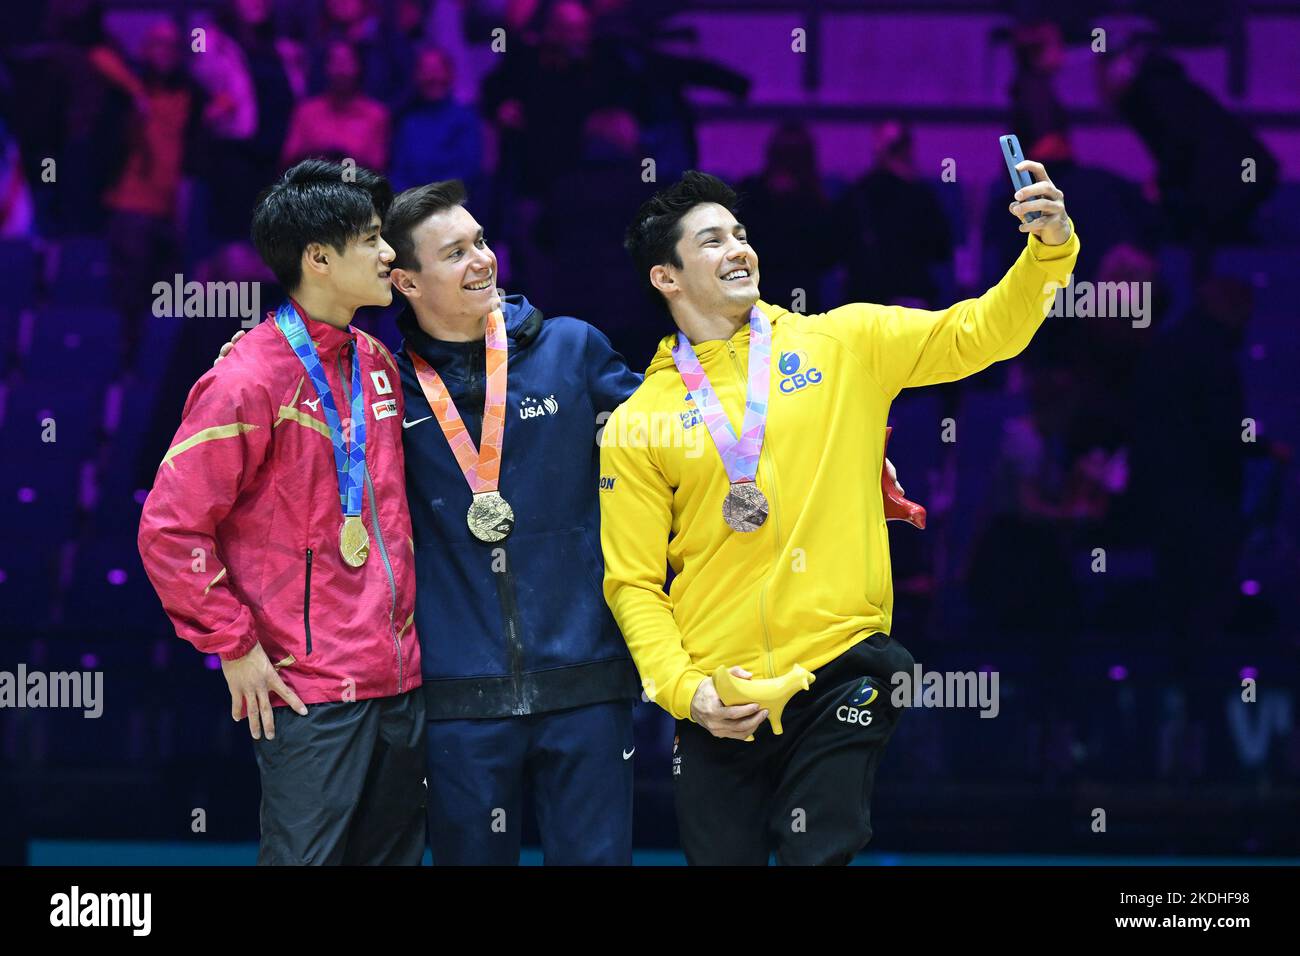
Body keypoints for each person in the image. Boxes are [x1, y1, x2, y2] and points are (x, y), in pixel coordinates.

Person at [601, 166, 1077, 864]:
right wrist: (688, 694)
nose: (739, 249)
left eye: (740, 234)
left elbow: (980, 332)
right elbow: (633, 584)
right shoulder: (639, 421)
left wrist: (1049, 251)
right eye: (711, 241)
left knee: (816, 849)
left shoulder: (844, 343)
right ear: (665, 277)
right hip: (722, 698)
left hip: (843, 665)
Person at [138, 160, 425, 865]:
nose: (390, 254)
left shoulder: (377, 363)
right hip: (309, 689)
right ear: (318, 259)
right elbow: (171, 527)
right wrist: (232, 642)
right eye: (371, 240)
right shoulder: (246, 379)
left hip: (402, 680)